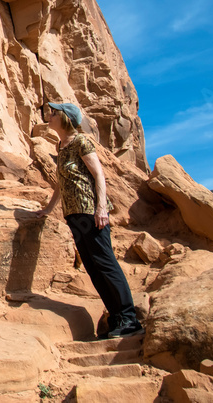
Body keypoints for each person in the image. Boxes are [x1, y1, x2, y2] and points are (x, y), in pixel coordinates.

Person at [34, 102, 144, 339]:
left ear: (65, 118)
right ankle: (117, 318)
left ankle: (129, 318)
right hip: (73, 214)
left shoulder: (82, 141)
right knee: (93, 267)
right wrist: (48, 209)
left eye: (54, 113)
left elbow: (98, 175)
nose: (49, 116)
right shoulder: (61, 147)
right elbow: (61, 183)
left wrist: (101, 207)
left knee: (105, 262)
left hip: (90, 212)